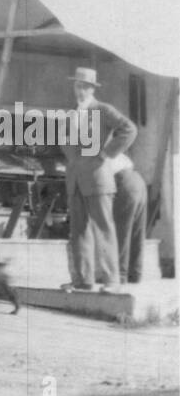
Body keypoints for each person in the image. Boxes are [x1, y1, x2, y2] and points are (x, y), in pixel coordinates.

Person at [61, 67, 137, 292]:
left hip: (98, 179)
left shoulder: (103, 110)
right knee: (78, 232)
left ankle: (112, 281)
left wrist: (106, 153)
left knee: (103, 229)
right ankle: (83, 281)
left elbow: (129, 129)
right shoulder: (71, 113)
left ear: (93, 89)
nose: (80, 90)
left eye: (85, 86)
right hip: (75, 181)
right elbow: (68, 144)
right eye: (77, 85)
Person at [112, 152, 147, 285]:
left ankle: (119, 275)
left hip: (123, 182)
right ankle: (135, 274)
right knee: (137, 231)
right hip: (138, 180)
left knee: (121, 231)